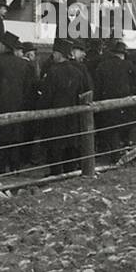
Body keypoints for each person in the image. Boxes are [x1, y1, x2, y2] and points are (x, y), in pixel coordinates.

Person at [0, 32, 31, 174]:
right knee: (15, 137)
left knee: (0, 137)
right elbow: (28, 88)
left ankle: (0, 166)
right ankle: (15, 166)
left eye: (0, 44)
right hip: (19, 106)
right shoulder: (24, 64)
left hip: (0, 107)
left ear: (5, 46)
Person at [39, 38, 86, 175]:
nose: (53, 55)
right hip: (72, 116)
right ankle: (70, 171)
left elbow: (46, 97)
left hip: (55, 117)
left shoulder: (53, 72)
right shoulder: (77, 72)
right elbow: (82, 94)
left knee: (55, 146)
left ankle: (56, 173)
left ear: (59, 54)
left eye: (54, 53)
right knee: (70, 145)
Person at [92, 39, 135, 155]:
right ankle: (123, 150)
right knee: (125, 126)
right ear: (123, 55)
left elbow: (97, 86)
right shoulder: (127, 64)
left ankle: (114, 152)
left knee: (111, 129)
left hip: (107, 102)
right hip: (124, 102)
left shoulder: (102, 65)